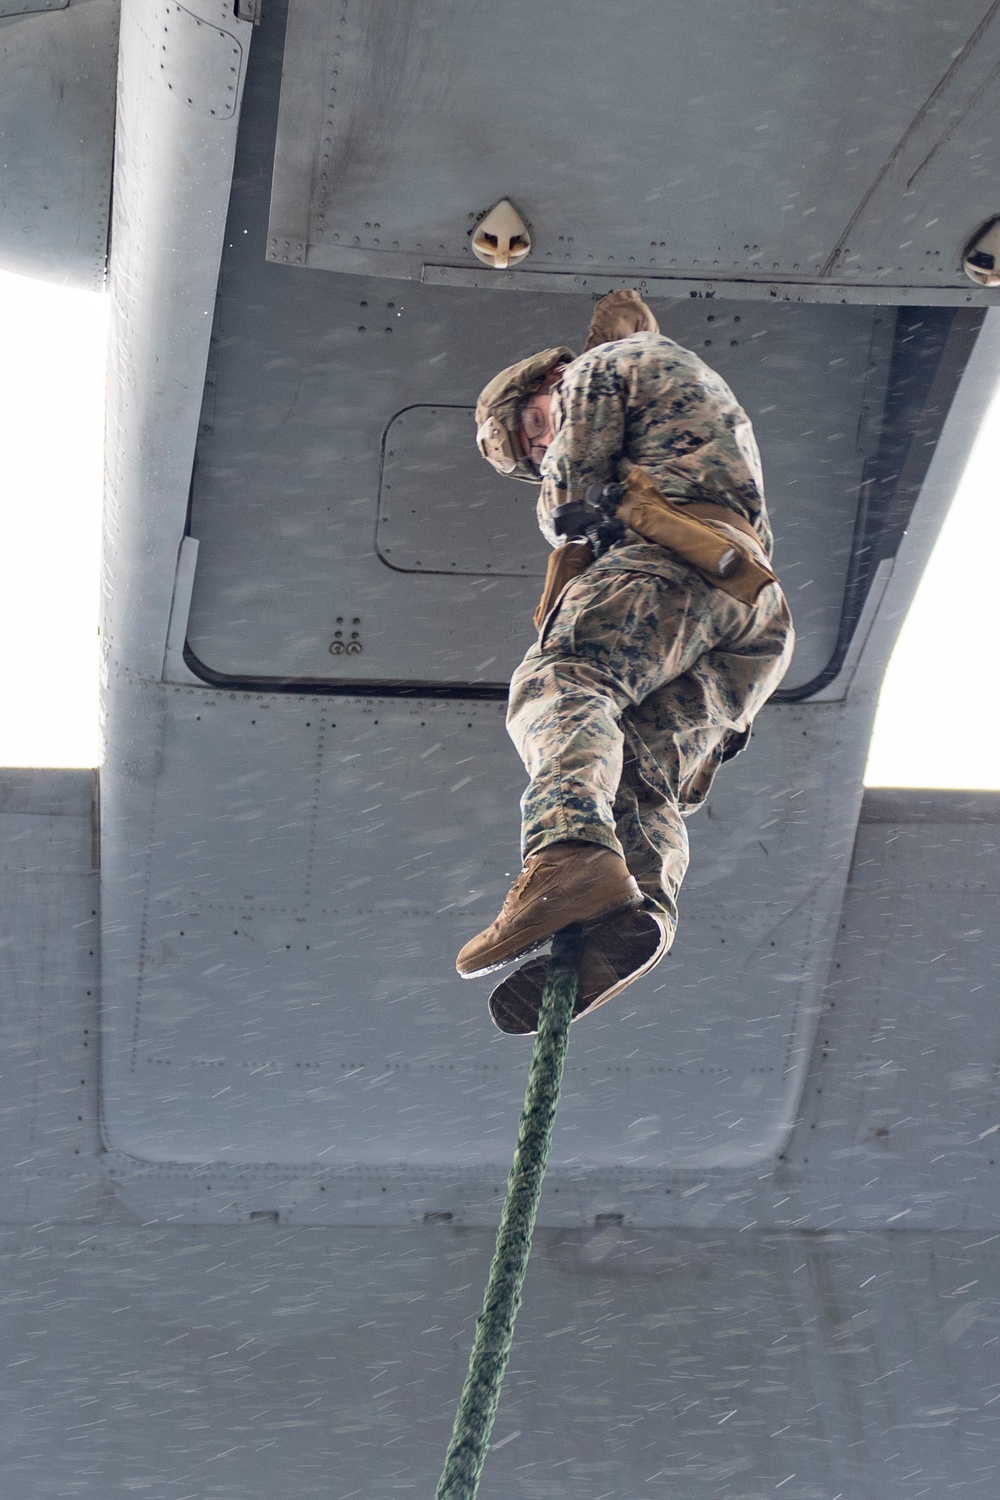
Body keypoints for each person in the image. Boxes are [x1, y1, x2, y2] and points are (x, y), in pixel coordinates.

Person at [457, 290, 794, 1035]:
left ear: (549, 381)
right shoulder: (684, 390)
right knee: (642, 769)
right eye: (533, 454)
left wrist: (560, 501)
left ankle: (566, 851)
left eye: (535, 429)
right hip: (747, 603)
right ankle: (635, 912)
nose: (546, 449)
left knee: (561, 682)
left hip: (670, 556)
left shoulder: (600, 367)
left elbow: (571, 495)